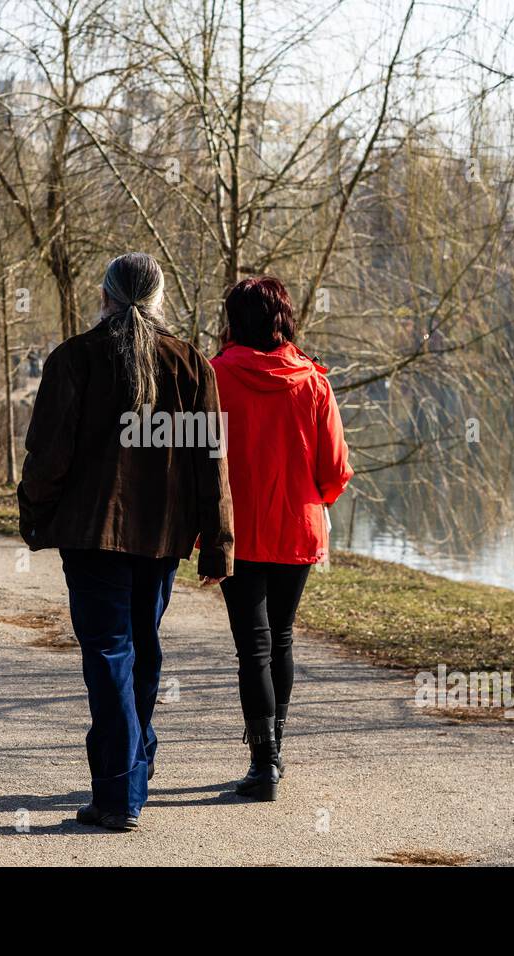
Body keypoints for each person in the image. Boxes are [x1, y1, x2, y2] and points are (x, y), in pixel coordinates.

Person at [18, 252, 233, 831]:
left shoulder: (74, 360)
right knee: (140, 651)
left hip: (91, 537)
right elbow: (210, 463)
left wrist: (34, 517)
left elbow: (48, 455)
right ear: (160, 298)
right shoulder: (191, 364)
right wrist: (217, 544)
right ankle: (133, 771)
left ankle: (118, 793)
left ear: (105, 296)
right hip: (161, 537)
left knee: (111, 654)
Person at [211, 276, 352, 801]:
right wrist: (312, 499)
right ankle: (274, 754)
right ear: (283, 319)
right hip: (296, 525)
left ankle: (263, 762)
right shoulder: (313, 381)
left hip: (237, 532)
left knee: (254, 647)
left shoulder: (216, 376)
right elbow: (335, 468)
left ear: (234, 320)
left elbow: (200, 459)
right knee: (282, 637)